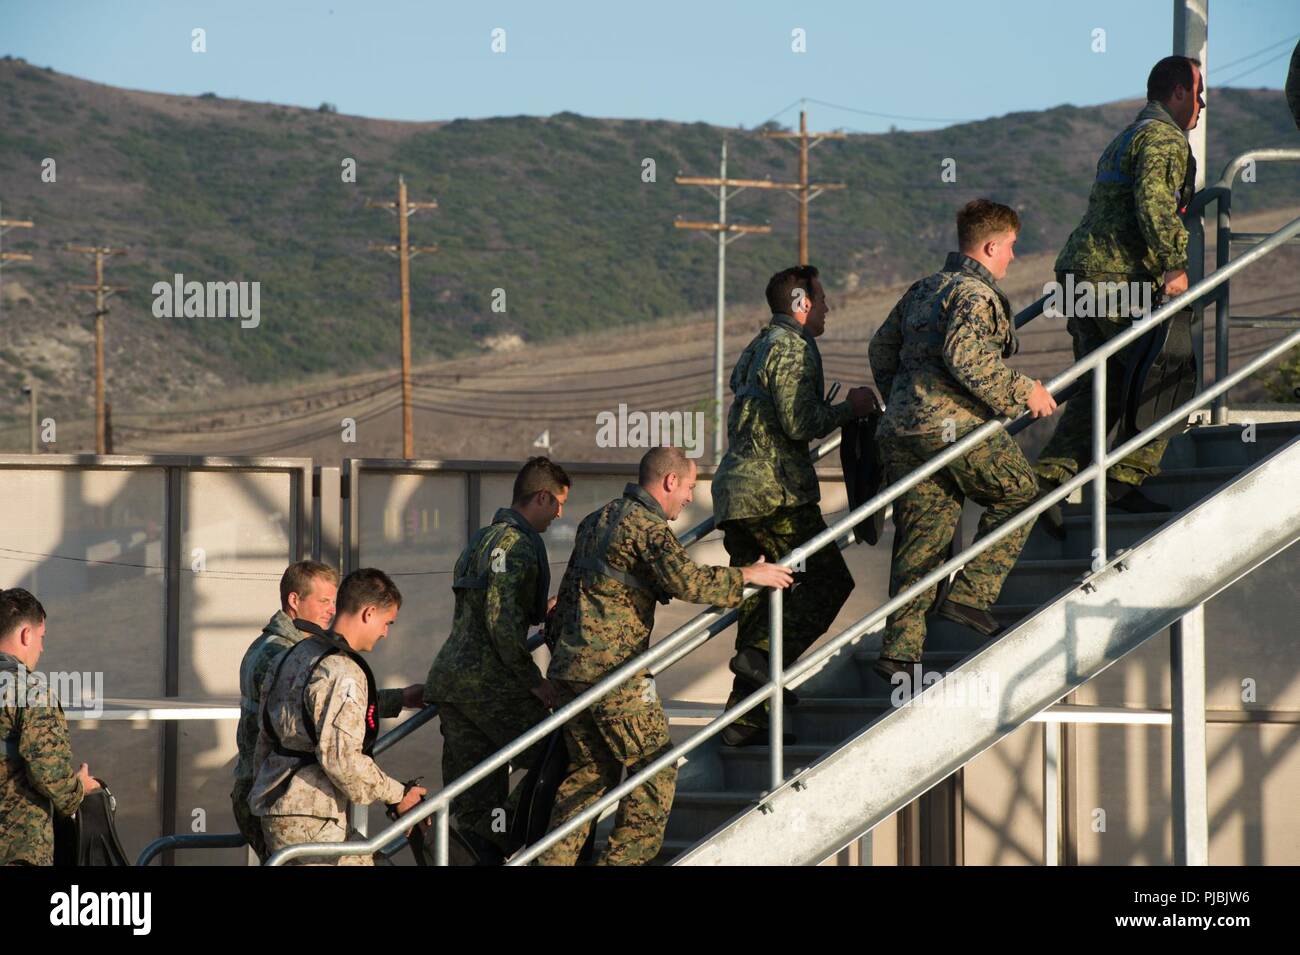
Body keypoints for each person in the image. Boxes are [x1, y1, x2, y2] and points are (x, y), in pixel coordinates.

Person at [537, 447, 792, 865]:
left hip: (572, 672)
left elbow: (568, 597)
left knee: (589, 776)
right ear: (670, 481)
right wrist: (749, 574)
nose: (691, 498)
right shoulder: (647, 528)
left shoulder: (596, 519)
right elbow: (687, 581)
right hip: (615, 676)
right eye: (690, 487)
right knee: (656, 772)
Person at [868, 199, 1056, 675]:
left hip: (904, 431)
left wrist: (904, 397)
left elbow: (881, 347)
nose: (1013, 256)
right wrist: (1023, 390)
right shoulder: (975, 294)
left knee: (922, 538)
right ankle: (970, 596)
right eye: (1011, 247)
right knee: (1019, 493)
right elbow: (967, 358)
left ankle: (899, 652)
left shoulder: (924, 289)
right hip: (952, 428)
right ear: (991, 245)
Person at [710, 264, 881, 746]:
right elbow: (799, 422)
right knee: (828, 580)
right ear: (801, 303)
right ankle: (765, 662)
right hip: (774, 495)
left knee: (764, 596)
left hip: (736, 495)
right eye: (822, 299)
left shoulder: (756, 346)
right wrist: (853, 408)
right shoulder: (793, 346)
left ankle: (745, 721)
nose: (827, 307)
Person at [1035, 55, 1204, 535]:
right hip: (1118, 279)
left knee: (1101, 387)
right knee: (1166, 376)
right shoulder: (1164, 138)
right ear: (1176, 93)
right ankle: (1125, 479)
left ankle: (1049, 483)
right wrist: (1174, 263)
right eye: (1197, 92)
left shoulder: (1125, 136)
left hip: (1081, 274)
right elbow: (1152, 201)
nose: (1202, 104)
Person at [424, 456, 571, 862]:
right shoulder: (519, 545)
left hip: (454, 685)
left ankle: (485, 851)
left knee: (475, 798)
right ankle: (514, 843)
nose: (560, 514)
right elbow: (501, 624)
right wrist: (535, 681)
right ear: (541, 497)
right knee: (558, 755)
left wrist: (542, 608)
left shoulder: (482, 539)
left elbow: (489, 607)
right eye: (558, 503)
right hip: (491, 685)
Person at [249, 568, 426, 865]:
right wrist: (398, 795)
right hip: (312, 821)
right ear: (369, 613)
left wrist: (261, 793)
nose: (386, 633)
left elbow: (265, 735)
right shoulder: (343, 671)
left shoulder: (293, 656)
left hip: (280, 809)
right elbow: (341, 760)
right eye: (387, 622)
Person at [0, 588, 99, 866]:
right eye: (41, 638)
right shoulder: (30, 693)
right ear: (26, 635)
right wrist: (79, 789)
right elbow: (50, 775)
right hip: (15, 852)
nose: (41, 648)